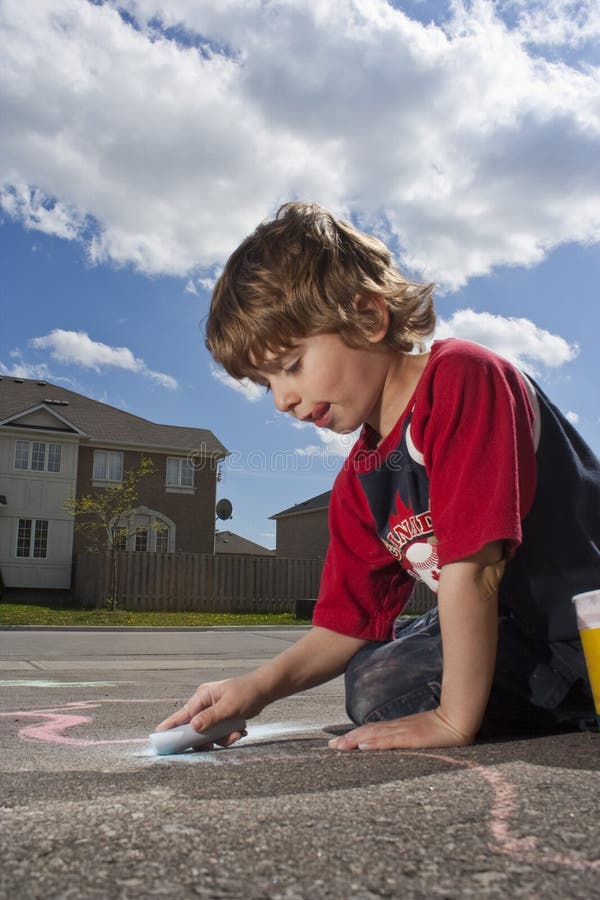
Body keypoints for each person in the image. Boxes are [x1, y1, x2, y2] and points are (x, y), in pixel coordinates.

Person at [156, 201, 599, 750]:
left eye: (291, 365)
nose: (282, 400)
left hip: (578, 635)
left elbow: (475, 570)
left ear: (368, 317)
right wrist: (252, 689)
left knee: (383, 688)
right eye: (265, 382)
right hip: (516, 629)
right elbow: (348, 624)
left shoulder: (465, 378)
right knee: (371, 666)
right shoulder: (360, 481)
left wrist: (452, 719)